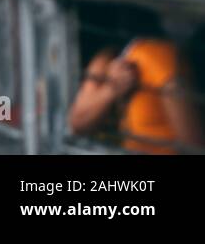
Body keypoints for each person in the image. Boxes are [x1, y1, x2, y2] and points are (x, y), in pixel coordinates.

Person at [69, 23, 203, 154]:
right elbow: (78, 123)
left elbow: (192, 145)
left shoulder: (159, 57)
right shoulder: (107, 60)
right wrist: (112, 89)